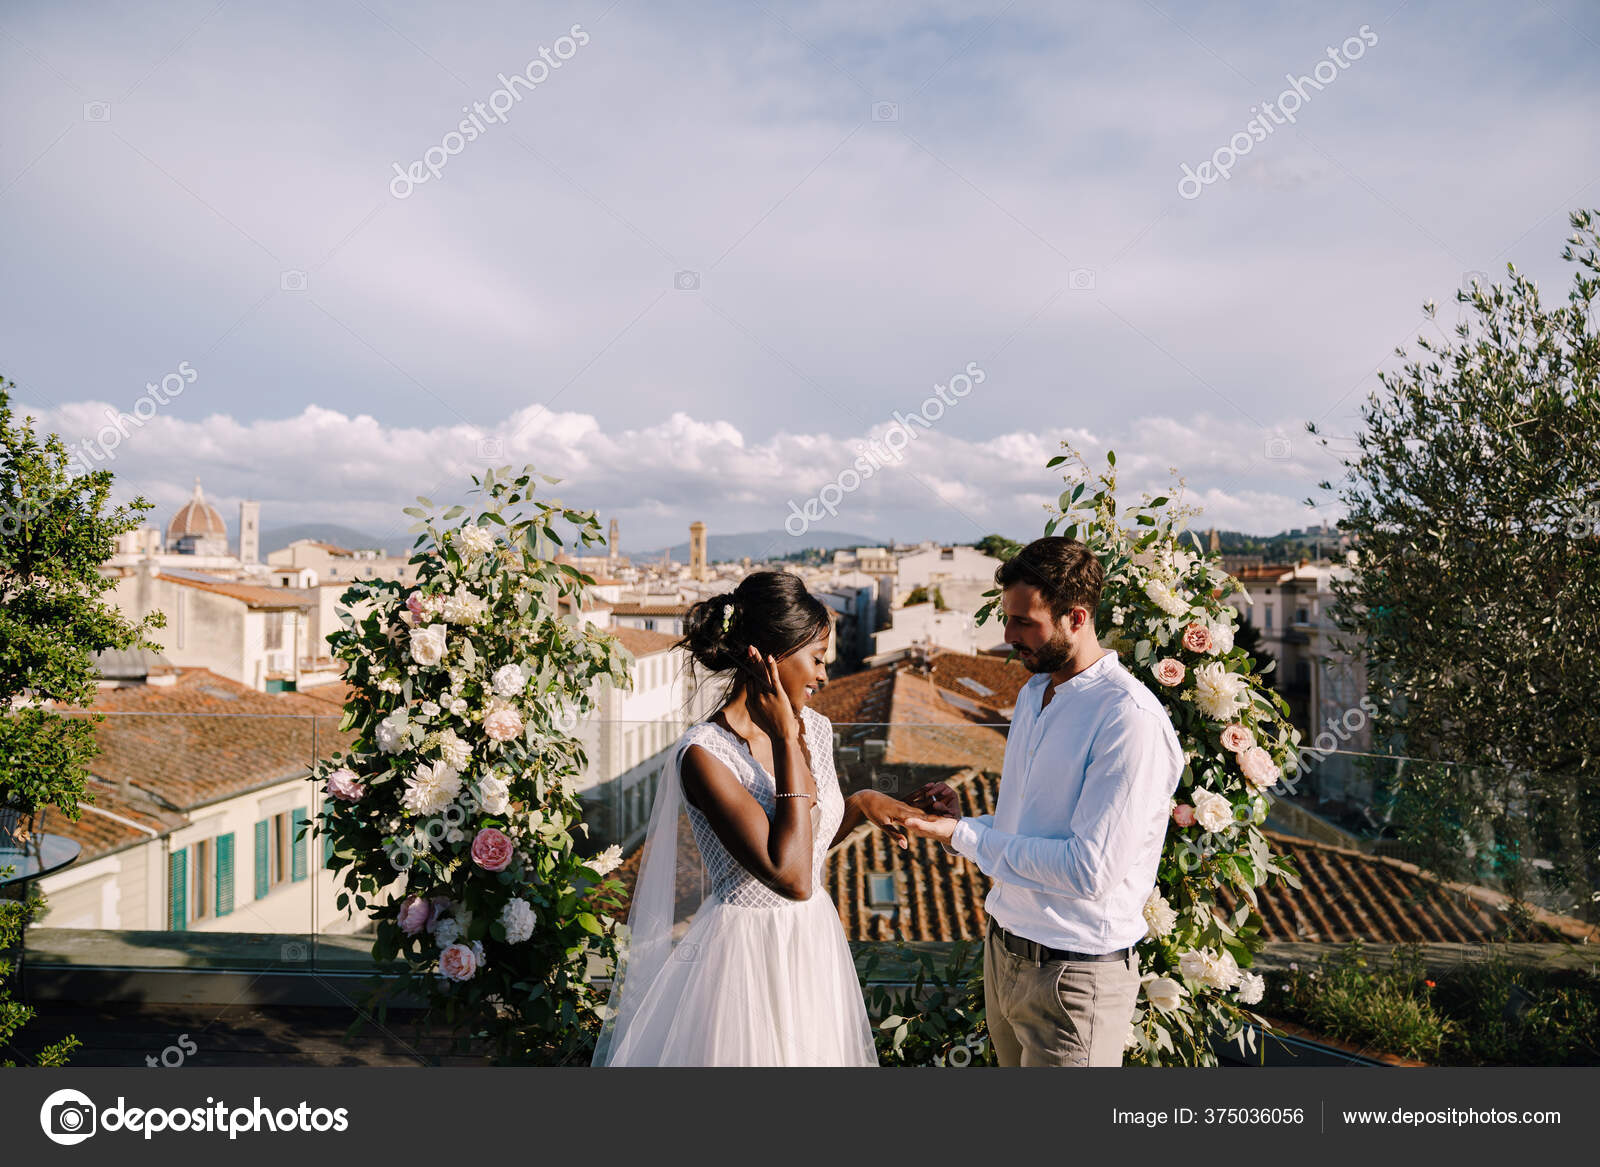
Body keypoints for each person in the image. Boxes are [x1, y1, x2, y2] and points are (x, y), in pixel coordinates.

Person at [593, 570, 947, 1066]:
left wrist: (861, 803)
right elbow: (793, 877)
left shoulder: (816, 730)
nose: (825, 676)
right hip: (745, 956)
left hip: (811, 943)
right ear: (772, 658)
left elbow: (807, 843)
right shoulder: (705, 756)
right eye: (817, 660)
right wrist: (784, 741)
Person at [902, 537, 1183, 1066]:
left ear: (1077, 618)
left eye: (1023, 622)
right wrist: (968, 821)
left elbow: (1088, 871)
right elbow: (1034, 827)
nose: (1008, 636)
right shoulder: (1035, 693)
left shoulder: (1128, 719)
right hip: (1005, 954)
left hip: (1075, 978)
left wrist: (964, 837)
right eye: (1007, 619)